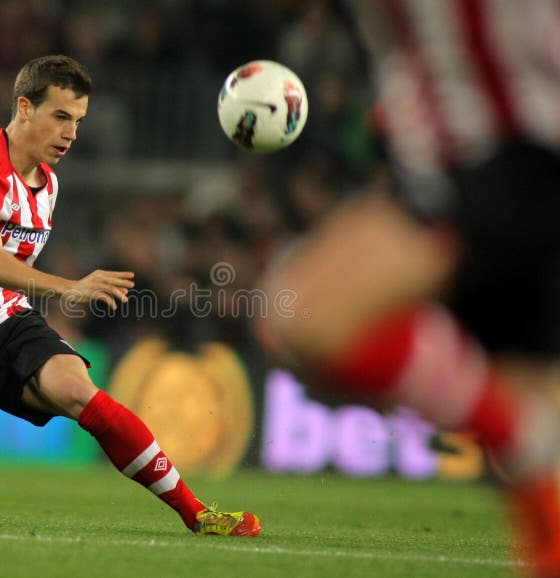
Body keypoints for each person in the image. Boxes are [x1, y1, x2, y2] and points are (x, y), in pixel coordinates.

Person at [0, 55, 261, 538]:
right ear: (24, 108)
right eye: (61, 116)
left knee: (81, 391)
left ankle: (197, 513)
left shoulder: (47, 183)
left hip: (8, 323)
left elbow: (8, 277)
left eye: (78, 121)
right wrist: (72, 288)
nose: (71, 134)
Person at [258, 1, 560, 575]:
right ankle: (529, 439)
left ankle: (528, 434)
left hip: (503, 154)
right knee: (535, 491)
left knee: (304, 310)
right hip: (459, 164)